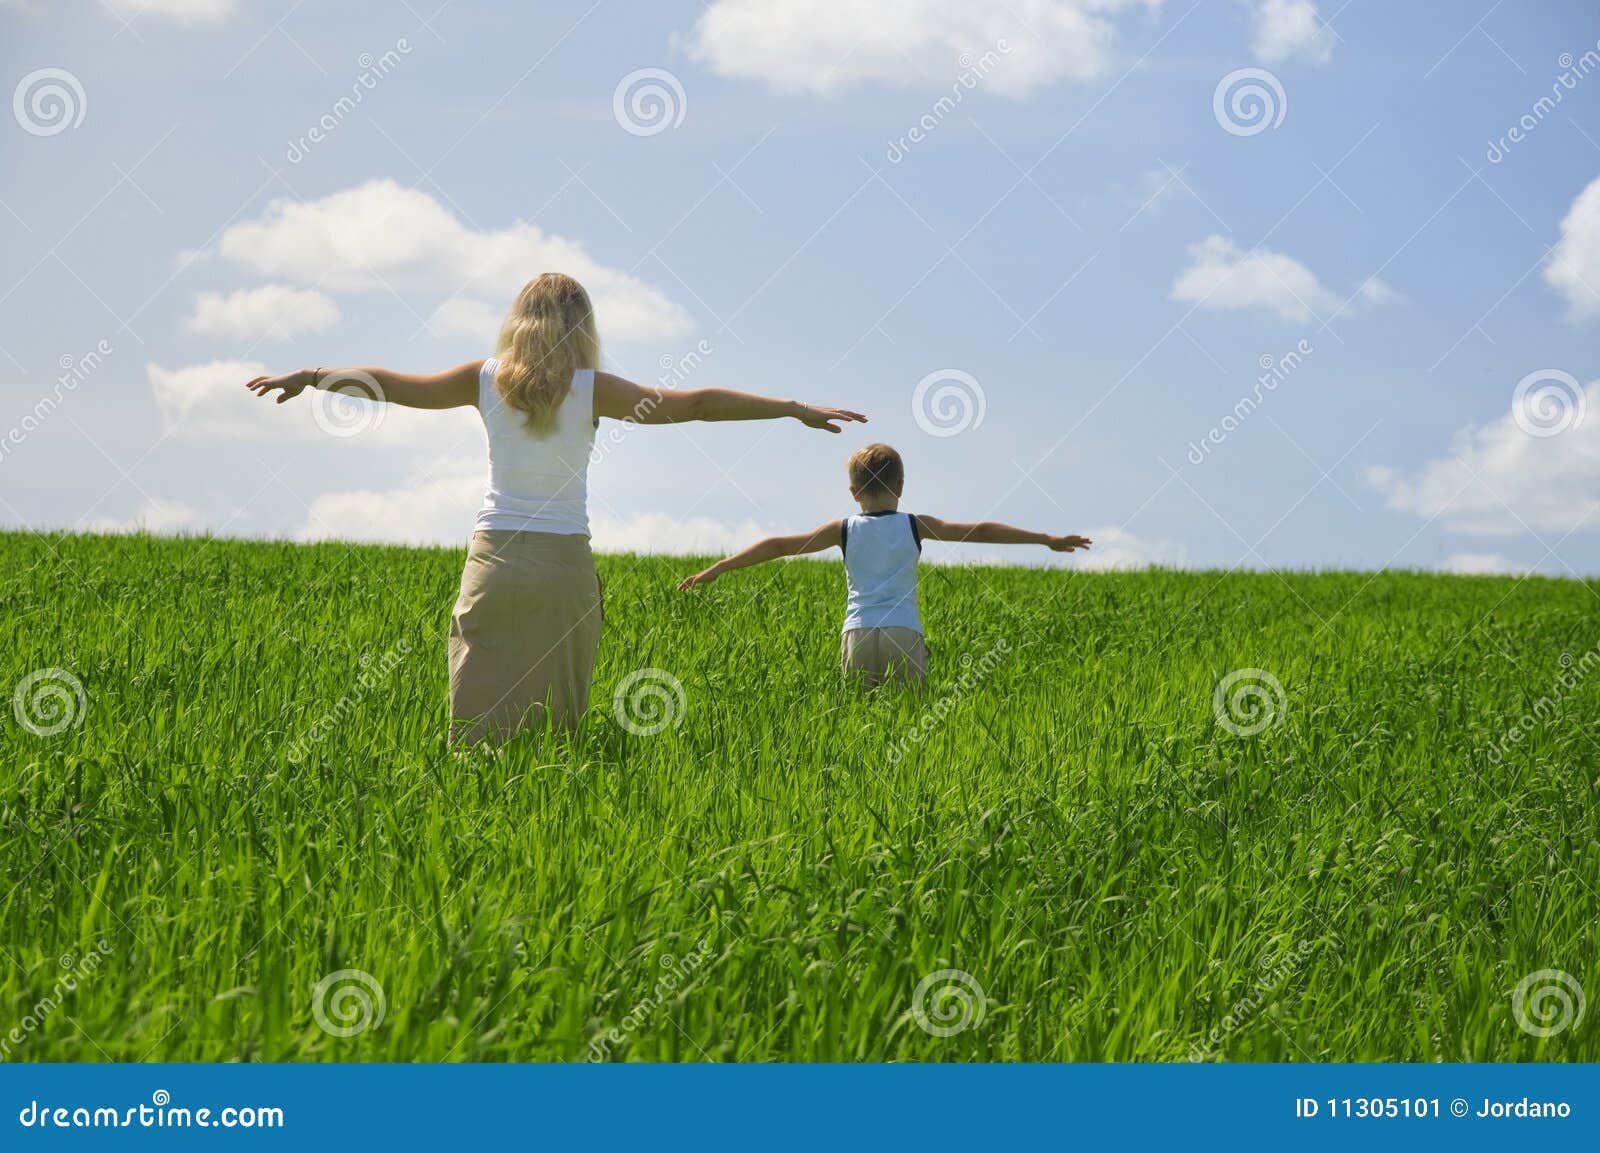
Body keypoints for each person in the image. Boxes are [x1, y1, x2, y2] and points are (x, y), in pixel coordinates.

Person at [245, 272, 866, 741]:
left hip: (495, 561)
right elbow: (698, 404)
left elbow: (392, 386)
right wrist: (793, 409)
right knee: (557, 729)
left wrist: (313, 374)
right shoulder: (593, 390)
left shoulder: (483, 377)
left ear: (519, 320)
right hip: (565, 565)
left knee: (476, 722)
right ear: (582, 327)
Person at [677, 442, 1091, 687]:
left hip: (857, 635)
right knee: (909, 728)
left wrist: (719, 567)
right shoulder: (915, 525)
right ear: (900, 486)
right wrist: (1045, 539)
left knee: (861, 729)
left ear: (853, 492)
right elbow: (979, 530)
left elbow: (778, 546)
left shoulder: (842, 529)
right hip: (903, 633)